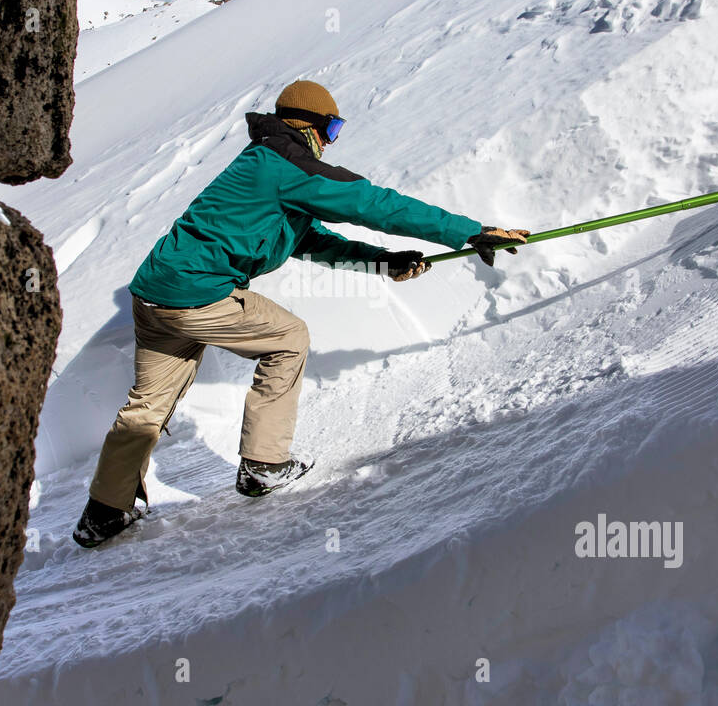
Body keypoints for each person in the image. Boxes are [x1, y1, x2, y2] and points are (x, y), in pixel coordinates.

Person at [73, 80, 528, 547]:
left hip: (153, 295)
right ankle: (263, 466)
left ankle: (105, 511)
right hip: (199, 295)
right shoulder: (289, 166)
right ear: (310, 124)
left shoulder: (264, 163)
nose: (332, 139)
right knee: (289, 338)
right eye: (333, 126)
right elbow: (372, 203)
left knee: (147, 405)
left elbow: (308, 240)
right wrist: (470, 231)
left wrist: (381, 262)